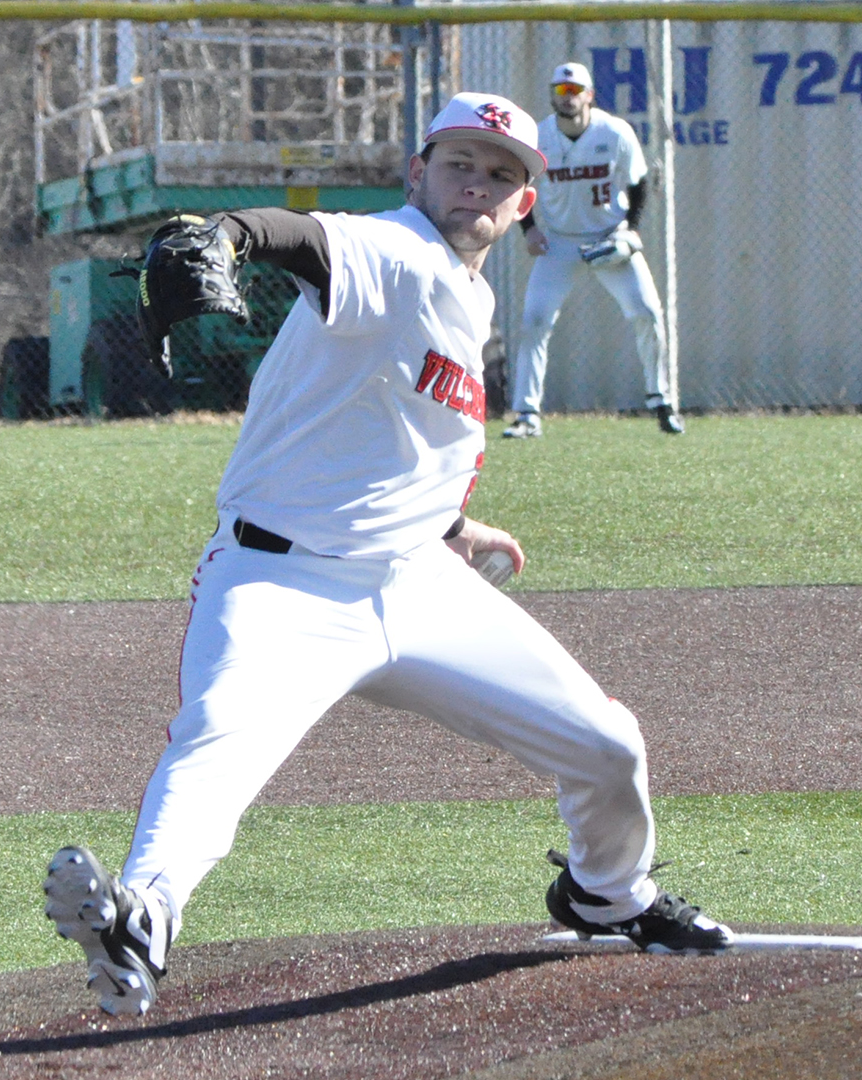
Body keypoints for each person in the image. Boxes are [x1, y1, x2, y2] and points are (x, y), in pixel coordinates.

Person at [42, 92, 730, 1019]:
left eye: (501, 173)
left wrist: (451, 527)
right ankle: (143, 919)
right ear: (418, 173)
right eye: (458, 162)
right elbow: (308, 239)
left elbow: (393, 434)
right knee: (218, 746)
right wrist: (229, 234)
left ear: (526, 203)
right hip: (280, 581)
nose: (476, 183)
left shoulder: (468, 287)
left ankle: (609, 893)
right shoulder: (397, 249)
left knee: (606, 746)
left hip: (415, 577)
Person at [504, 62, 682, 439]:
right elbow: (519, 184)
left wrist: (630, 232)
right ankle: (526, 414)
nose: (566, 98)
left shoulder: (614, 131)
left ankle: (661, 399)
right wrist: (530, 230)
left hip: (607, 235)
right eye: (559, 91)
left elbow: (638, 182)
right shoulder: (539, 135)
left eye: (574, 91)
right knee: (535, 321)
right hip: (560, 240)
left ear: (589, 95)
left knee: (648, 312)